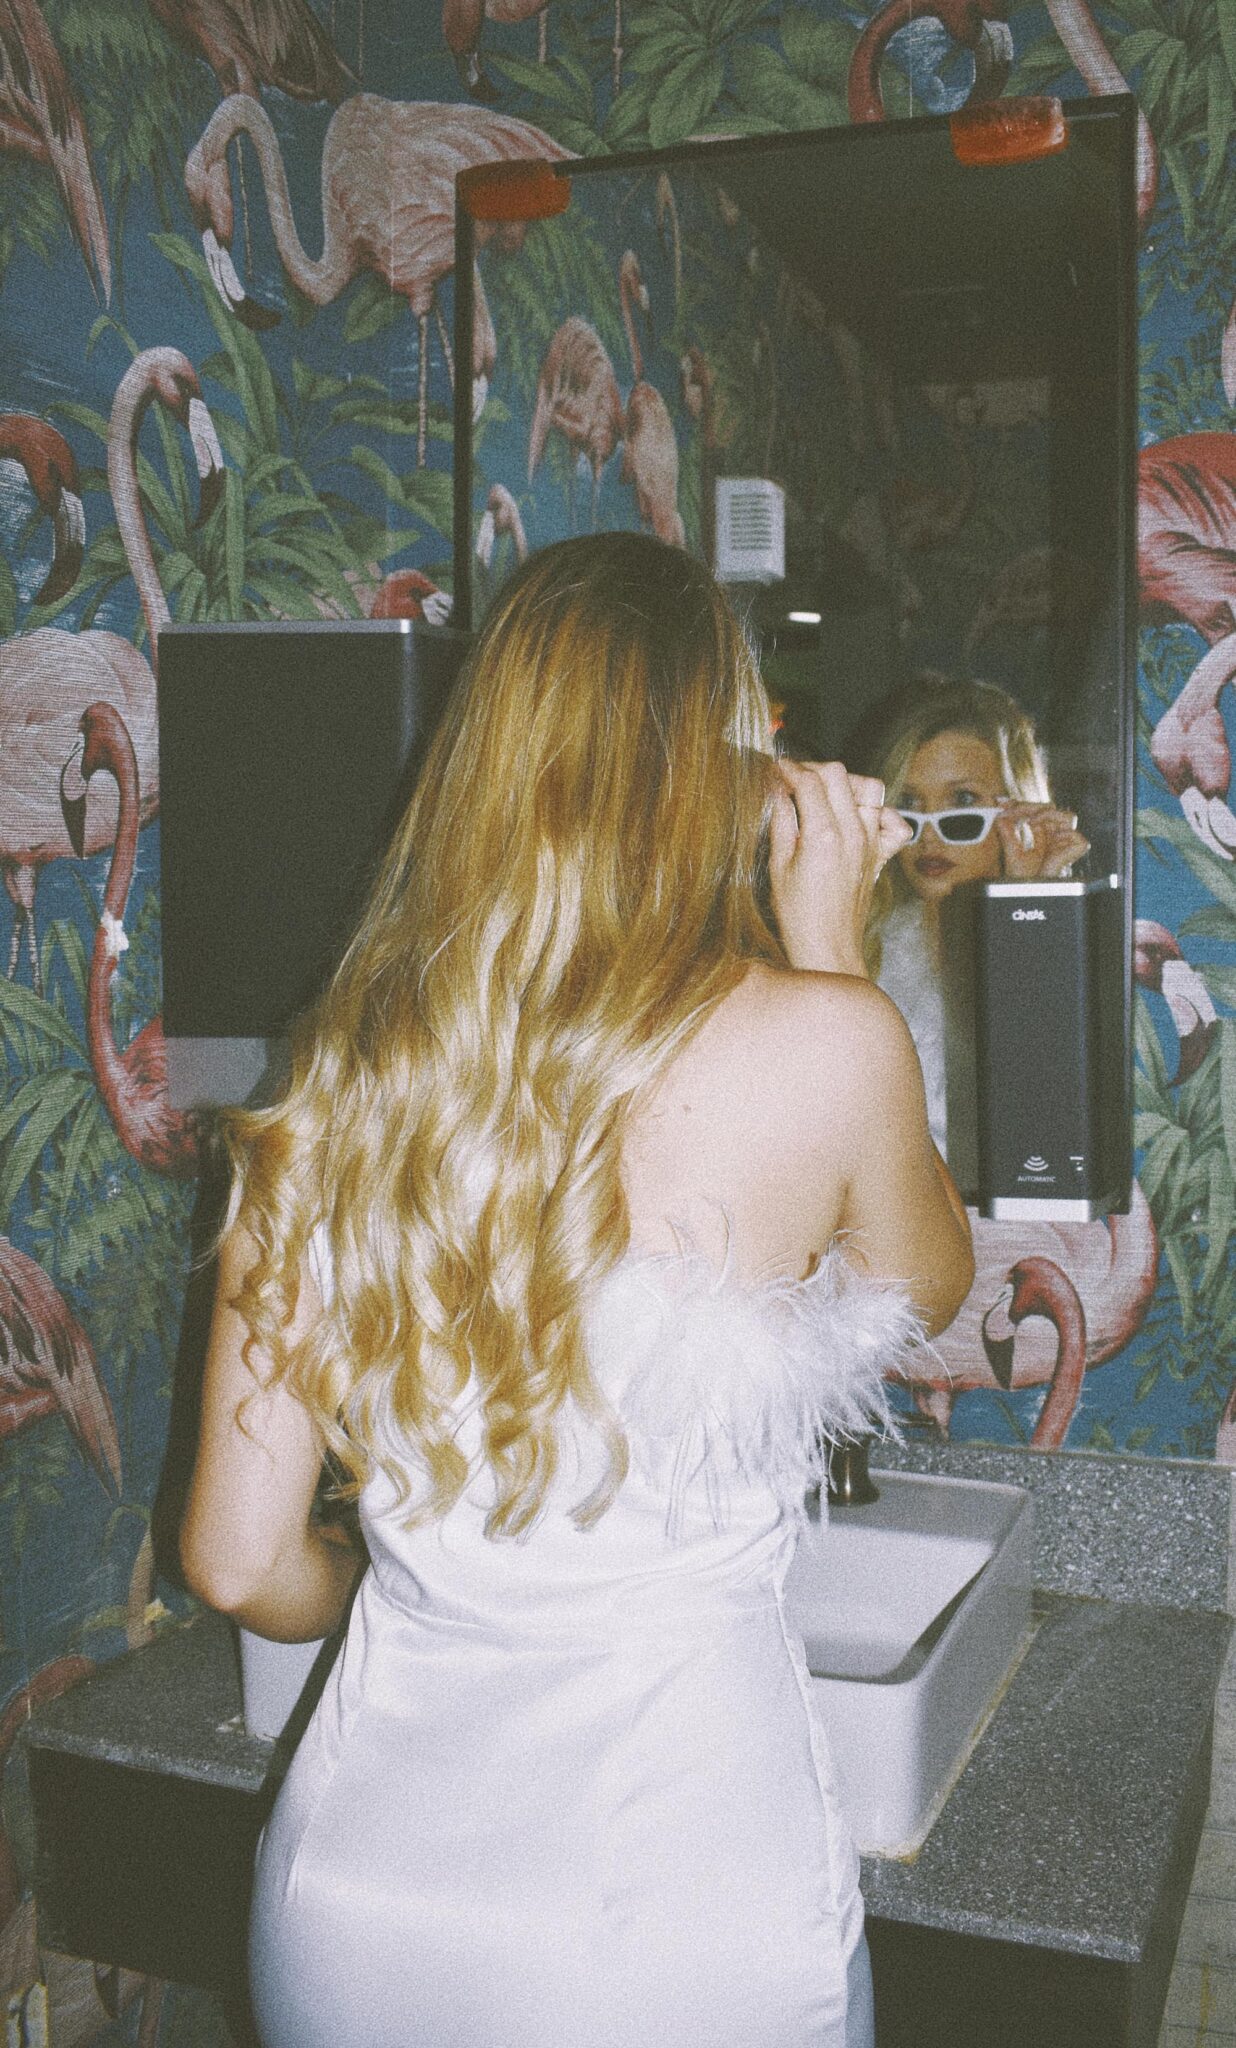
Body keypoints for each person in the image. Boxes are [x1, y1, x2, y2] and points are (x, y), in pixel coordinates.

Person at [181, 534, 974, 2048]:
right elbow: (923, 1288)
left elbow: (234, 1559)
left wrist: (415, 1594)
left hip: (360, 1901)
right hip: (686, 1908)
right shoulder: (829, 1042)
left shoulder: (340, 1073)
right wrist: (831, 942)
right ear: (719, 769)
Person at [845, 674, 1089, 1160]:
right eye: (909, 807)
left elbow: (1051, 1121)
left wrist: (1033, 906)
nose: (930, 837)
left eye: (962, 802)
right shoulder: (862, 946)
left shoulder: (1069, 945)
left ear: (1017, 808)